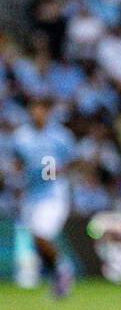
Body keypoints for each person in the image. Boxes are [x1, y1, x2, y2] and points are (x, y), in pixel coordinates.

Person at [11, 95, 76, 298]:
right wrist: (18, 180)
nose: (37, 113)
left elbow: (73, 160)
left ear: (47, 112)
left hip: (53, 194)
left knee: (41, 234)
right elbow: (17, 163)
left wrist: (59, 171)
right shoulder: (21, 136)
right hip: (31, 194)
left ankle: (64, 268)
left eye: (41, 109)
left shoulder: (60, 136)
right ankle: (57, 277)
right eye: (33, 109)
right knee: (35, 239)